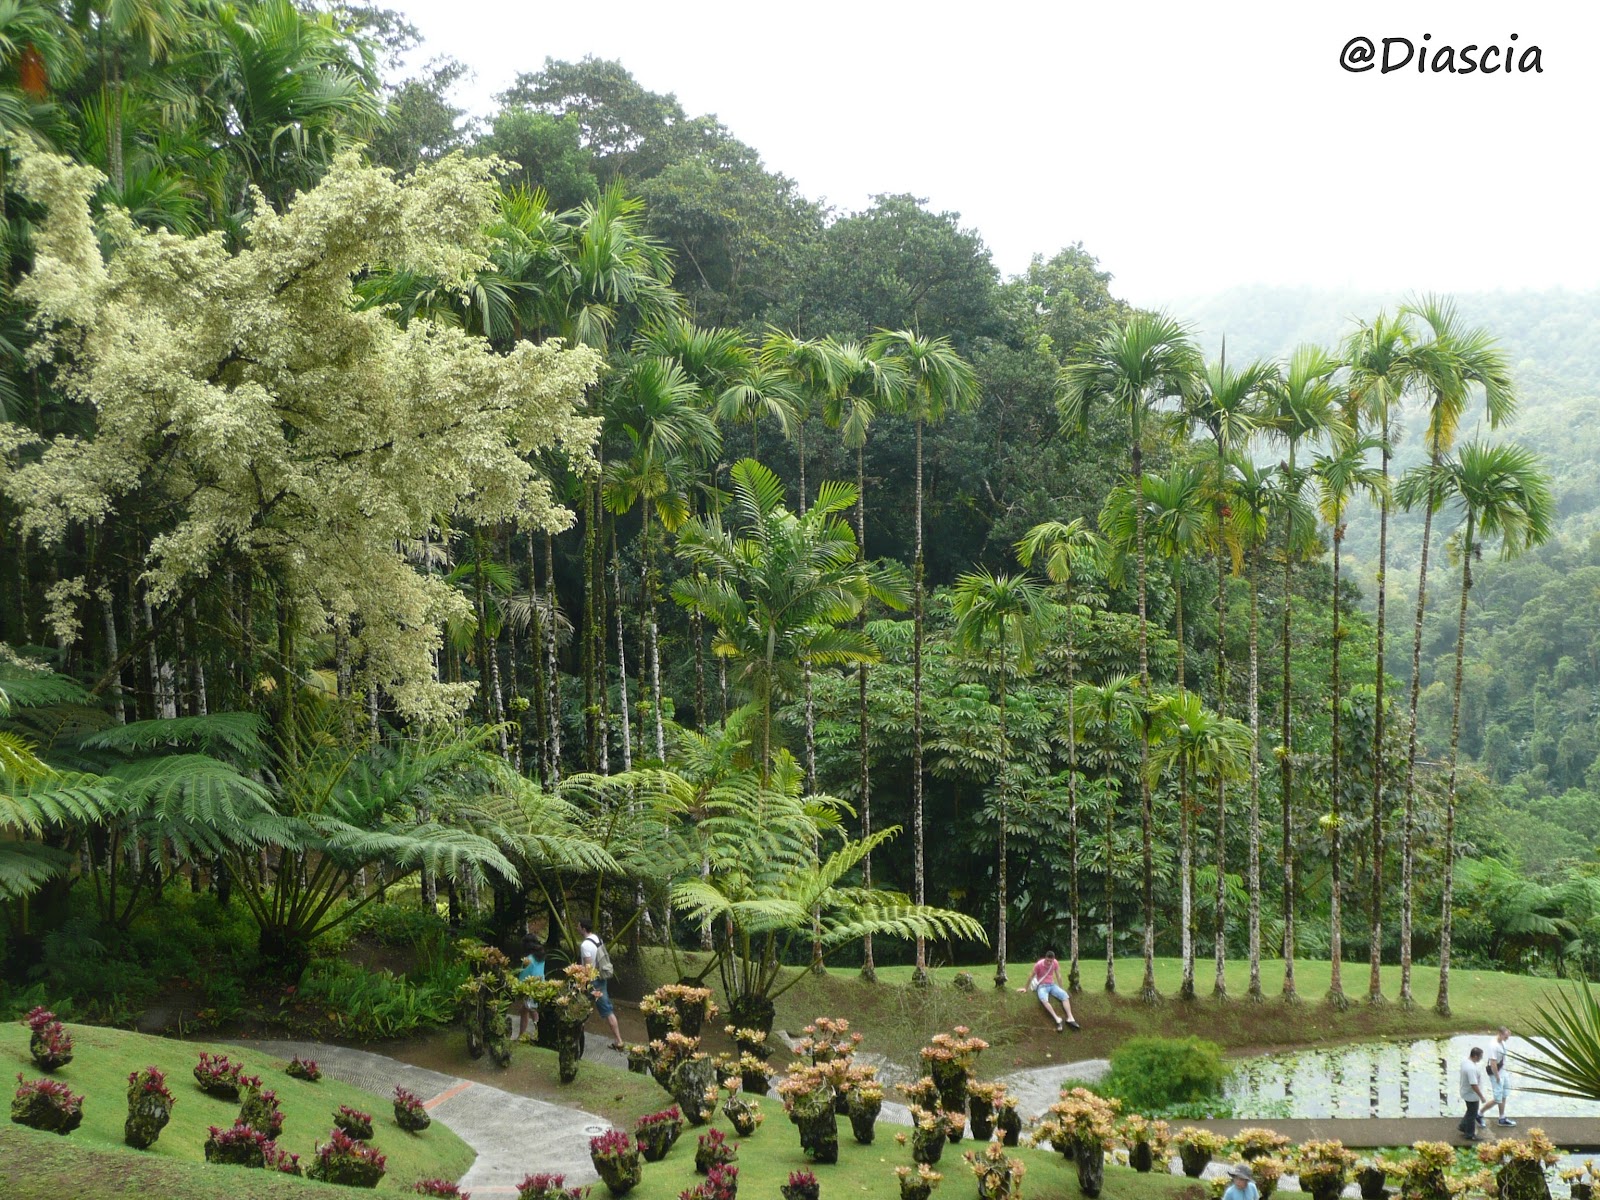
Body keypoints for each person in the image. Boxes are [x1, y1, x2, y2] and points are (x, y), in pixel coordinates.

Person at [578, 918, 625, 1050]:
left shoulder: (585, 945)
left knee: (580, 1008)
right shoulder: (597, 939)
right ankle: (618, 1040)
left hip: (592, 981)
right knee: (607, 1009)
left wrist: (583, 983)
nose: (577, 928)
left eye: (578, 926)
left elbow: (588, 967)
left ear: (583, 928)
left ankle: (576, 1037)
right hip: (601, 977)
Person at [1017, 949, 1080, 1032]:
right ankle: (1057, 1018)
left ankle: (1070, 1017)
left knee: (1065, 996)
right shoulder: (1039, 965)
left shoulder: (1055, 963)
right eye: (1047, 961)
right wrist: (1025, 988)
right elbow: (1031, 976)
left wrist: (1061, 988)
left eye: (1051, 961)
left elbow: (1058, 976)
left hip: (1052, 985)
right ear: (1045, 958)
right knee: (1043, 999)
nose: (1049, 963)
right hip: (1042, 986)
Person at [1483, 1026, 1516, 1127]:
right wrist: (1497, 1077)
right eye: (1506, 1037)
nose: (1507, 1039)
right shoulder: (1494, 1045)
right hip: (1496, 1073)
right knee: (1497, 1099)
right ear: (1500, 1034)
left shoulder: (1502, 1042)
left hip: (1502, 1071)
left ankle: (1502, 1117)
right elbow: (1493, 1063)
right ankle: (1479, 1113)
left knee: (1504, 1094)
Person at [516, 934, 545, 1043]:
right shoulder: (541, 956)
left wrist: (519, 987)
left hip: (530, 988)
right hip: (540, 985)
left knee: (532, 1011)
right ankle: (521, 1035)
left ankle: (538, 1033)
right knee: (525, 1010)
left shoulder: (528, 959)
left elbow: (524, 975)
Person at [1459, 1046, 1489, 1142]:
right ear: (1475, 1056)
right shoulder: (1471, 1068)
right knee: (1473, 1114)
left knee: (1470, 1111)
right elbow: (1473, 1084)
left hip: (1465, 1091)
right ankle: (1470, 1134)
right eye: (1480, 1056)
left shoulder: (1465, 1062)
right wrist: (1481, 1096)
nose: (1481, 1058)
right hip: (1471, 1095)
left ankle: (1463, 1126)